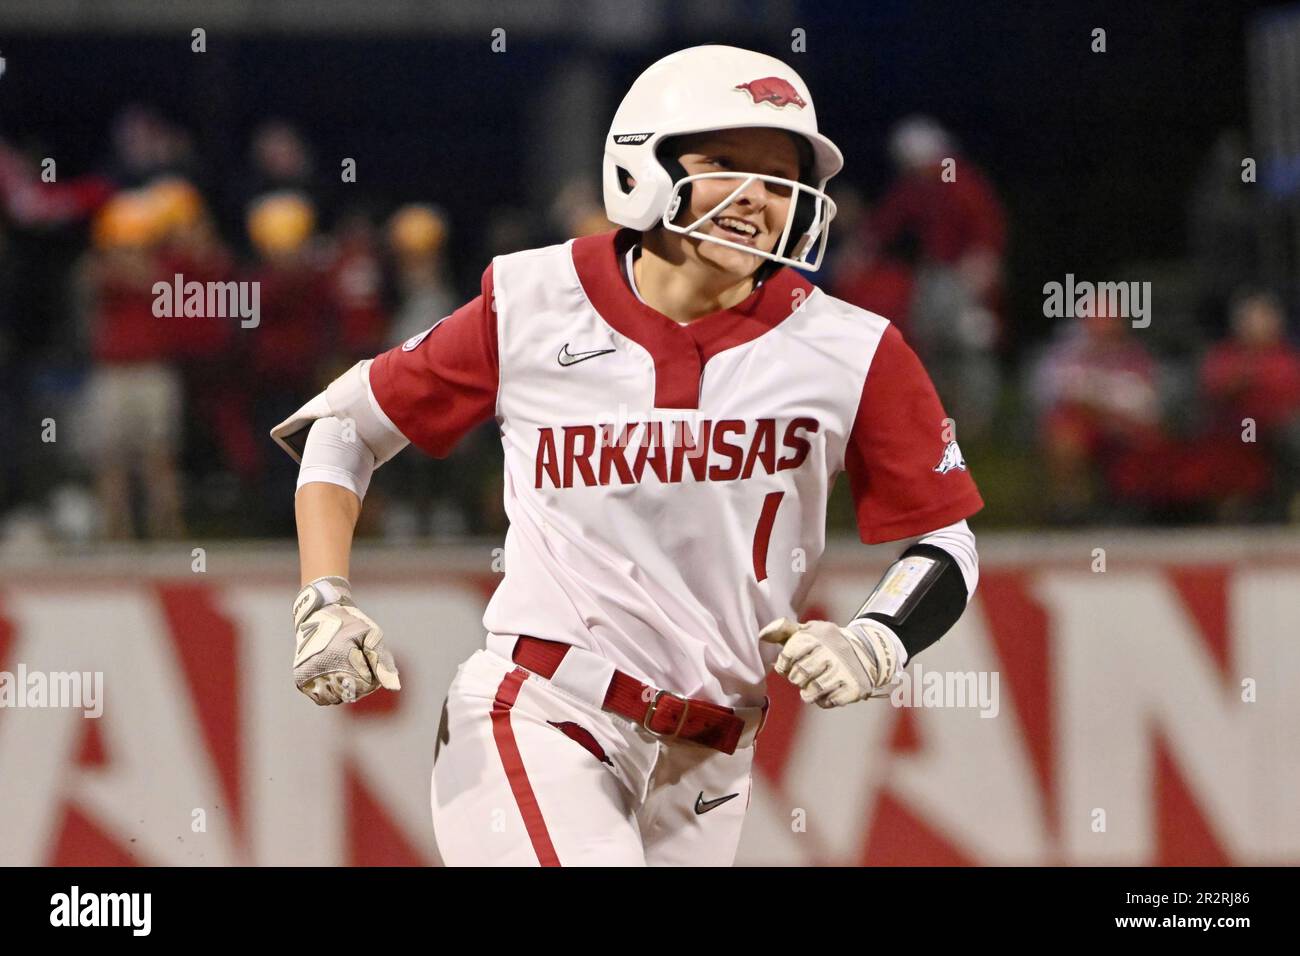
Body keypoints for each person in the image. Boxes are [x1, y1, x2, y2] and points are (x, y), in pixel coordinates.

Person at [272, 45, 983, 867]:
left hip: (713, 757)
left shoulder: (851, 348)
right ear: (642, 164)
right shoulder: (535, 300)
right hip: (540, 709)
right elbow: (346, 425)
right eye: (725, 163)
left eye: (780, 175)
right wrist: (322, 597)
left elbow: (946, 537)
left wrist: (874, 640)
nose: (758, 197)